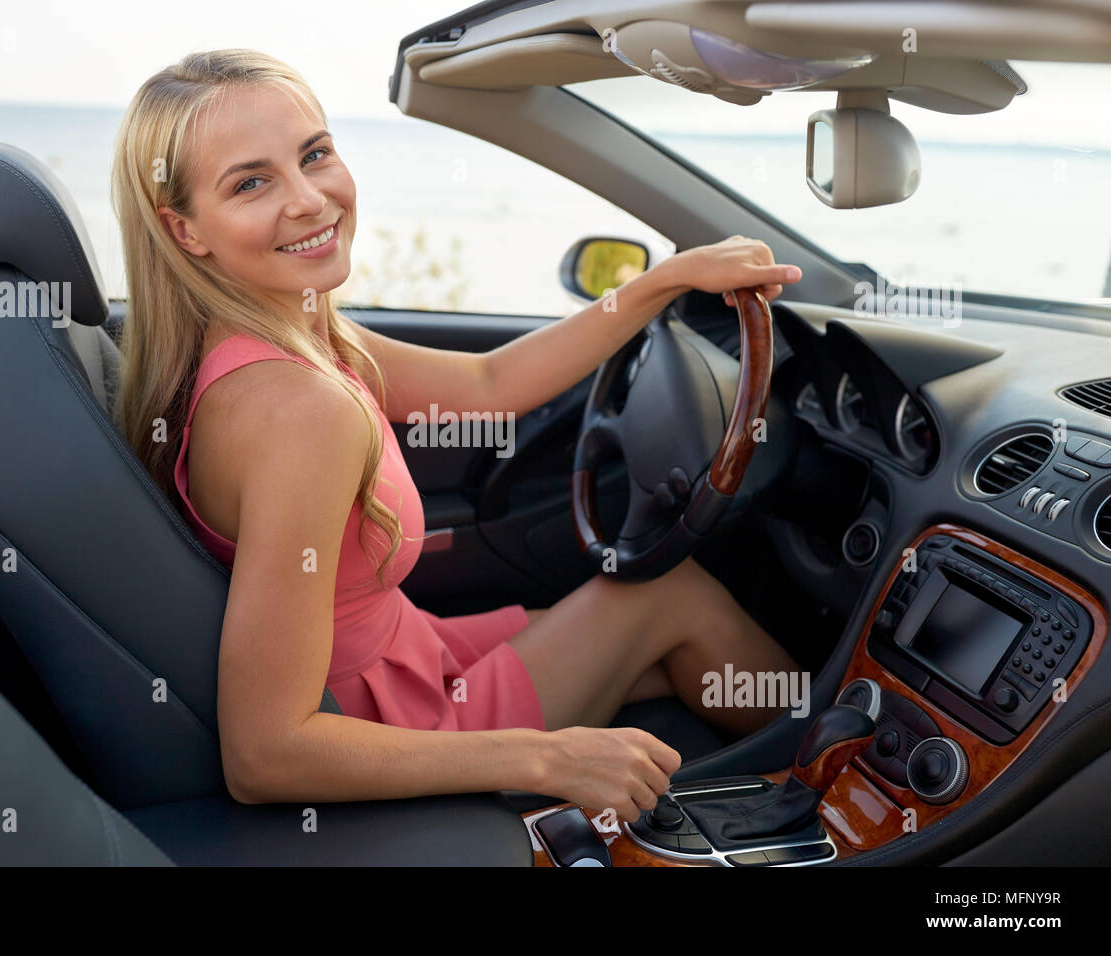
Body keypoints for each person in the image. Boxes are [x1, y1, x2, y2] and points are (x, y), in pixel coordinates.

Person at [111, 49, 805, 823]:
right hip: (380, 725)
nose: (309, 200)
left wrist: (663, 281)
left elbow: (489, 388)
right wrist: (551, 756)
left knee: (663, 624)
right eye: (250, 182)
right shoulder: (299, 412)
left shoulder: (288, 341)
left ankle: (826, 757)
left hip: (412, 660)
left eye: (314, 155)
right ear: (185, 229)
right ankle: (850, 774)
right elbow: (266, 753)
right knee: (669, 599)